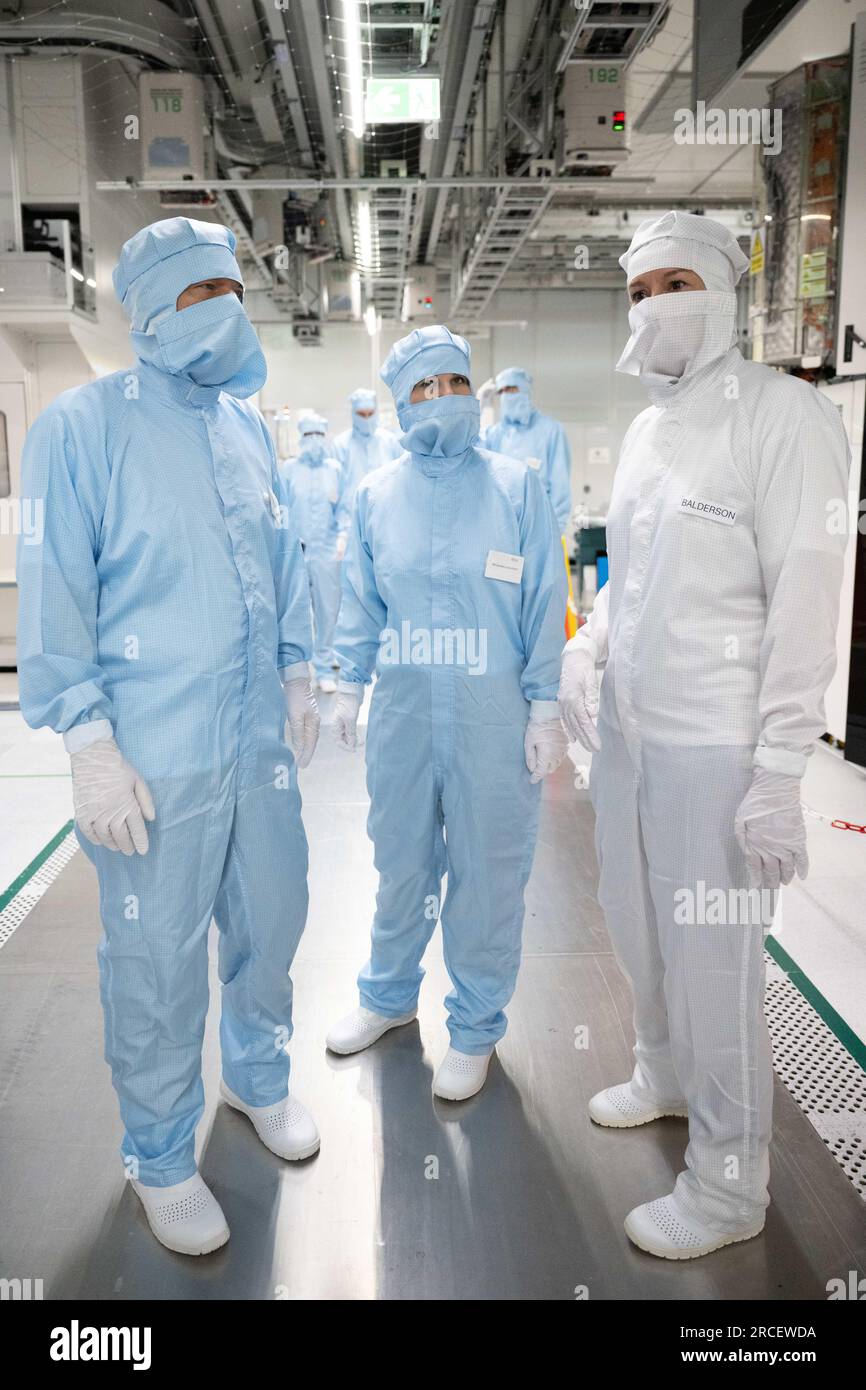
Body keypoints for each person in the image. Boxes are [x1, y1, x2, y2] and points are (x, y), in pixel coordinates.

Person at [16, 217, 322, 1257]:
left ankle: (258, 1074)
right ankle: (157, 1152)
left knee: (273, 917)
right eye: (200, 292)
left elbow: (278, 567)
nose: (225, 307)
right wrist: (87, 740)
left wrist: (295, 668)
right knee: (154, 957)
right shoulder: (80, 425)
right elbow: (53, 591)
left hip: (254, 749)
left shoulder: (245, 426)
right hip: (152, 756)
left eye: (232, 286)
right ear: (146, 311)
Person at [558, 211, 850, 1259]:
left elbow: (806, 597)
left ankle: (729, 1184)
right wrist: (584, 649)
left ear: (724, 290)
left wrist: (778, 768)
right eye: (636, 290)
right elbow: (626, 585)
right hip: (634, 743)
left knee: (714, 957)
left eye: (672, 283)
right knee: (634, 923)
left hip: (717, 751)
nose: (652, 306)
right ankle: (664, 1073)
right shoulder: (647, 429)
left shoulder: (785, 416)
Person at [325, 326, 568, 1101]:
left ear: (476, 388)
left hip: (491, 716)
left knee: (489, 873)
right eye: (424, 388)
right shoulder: (375, 495)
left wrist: (545, 705)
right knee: (401, 863)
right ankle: (389, 997)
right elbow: (362, 604)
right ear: (399, 403)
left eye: (456, 383)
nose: (443, 400)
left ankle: (474, 1026)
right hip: (403, 715)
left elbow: (541, 602)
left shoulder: (516, 485)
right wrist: (346, 685)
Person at [282, 414, 349, 694]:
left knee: (327, 611)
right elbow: (281, 509)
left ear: (326, 436)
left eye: (319, 435)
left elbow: (344, 507)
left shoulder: (335, 468)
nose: (314, 441)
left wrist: (343, 536)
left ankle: (324, 667)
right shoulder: (288, 469)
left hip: (326, 550)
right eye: (308, 435)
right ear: (300, 437)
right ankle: (296, 672)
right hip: (296, 550)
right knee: (295, 611)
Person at [482, 367, 572, 535]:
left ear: (525, 390)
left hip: (540, 526)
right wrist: (481, 409)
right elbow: (471, 455)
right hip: (501, 526)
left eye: (512, 389)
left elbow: (560, 487)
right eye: (502, 391)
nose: (506, 395)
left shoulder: (551, 430)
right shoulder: (494, 434)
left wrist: (555, 530)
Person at [332, 386, 402, 513]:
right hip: (350, 516)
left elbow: (399, 479)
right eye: (361, 414)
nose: (367, 419)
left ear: (376, 412)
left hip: (385, 512)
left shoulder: (390, 441)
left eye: (370, 414)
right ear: (353, 413)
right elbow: (336, 488)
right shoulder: (340, 444)